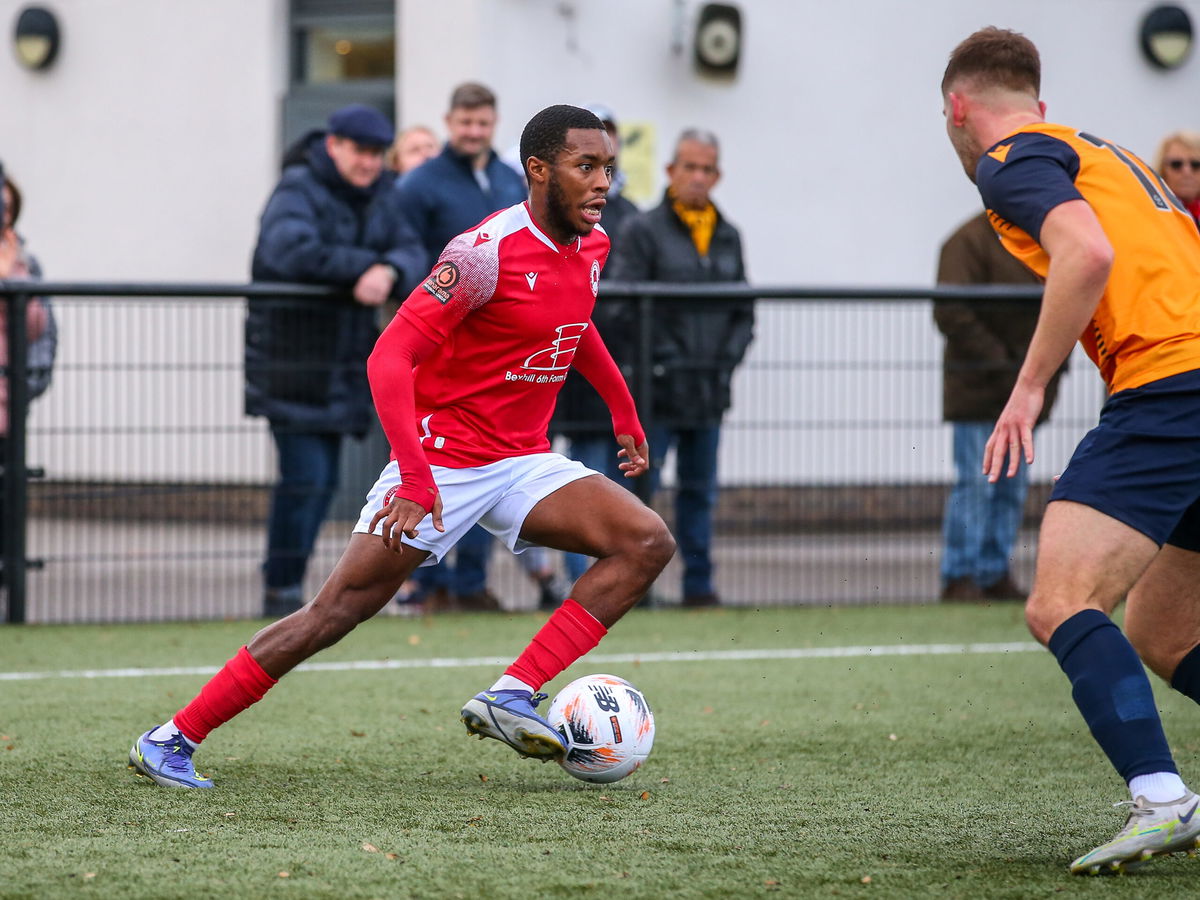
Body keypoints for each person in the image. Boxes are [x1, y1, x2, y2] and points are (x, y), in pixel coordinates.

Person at [128, 103, 674, 789]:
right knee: (334, 613)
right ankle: (170, 737)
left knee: (646, 541)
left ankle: (511, 693)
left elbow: (576, 321)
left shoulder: (592, 245)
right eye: (585, 166)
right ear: (538, 170)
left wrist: (624, 410)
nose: (602, 183)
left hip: (523, 460)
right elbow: (389, 358)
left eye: (608, 168)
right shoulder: (481, 254)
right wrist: (415, 479)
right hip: (442, 461)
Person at [942, 27, 1200, 873]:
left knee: (1058, 600)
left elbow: (1086, 253)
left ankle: (1162, 800)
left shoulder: (1008, 157)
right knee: (1164, 632)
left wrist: (1029, 385)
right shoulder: (1104, 152)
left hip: (1173, 386)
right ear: (1039, 101)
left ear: (956, 107)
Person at [245, 104, 425, 618]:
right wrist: (362, 270)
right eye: (360, 151)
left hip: (341, 364)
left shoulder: (382, 194)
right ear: (334, 145)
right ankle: (281, 587)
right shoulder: (297, 189)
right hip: (292, 363)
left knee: (319, 483)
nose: (369, 163)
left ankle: (288, 586)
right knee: (305, 480)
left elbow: (412, 249)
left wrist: (389, 269)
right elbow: (288, 251)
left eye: (376, 153)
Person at [394, 82, 529, 611]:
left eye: (483, 122)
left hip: (493, 351)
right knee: (433, 456)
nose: (473, 131)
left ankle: (471, 584)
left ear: (493, 123)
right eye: (465, 122)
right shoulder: (419, 184)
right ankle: (422, 583)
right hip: (433, 342)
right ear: (450, 122)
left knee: (486, 461)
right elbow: (403, 249)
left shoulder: (508, 180)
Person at [608, 129, 753, 608]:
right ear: (670, 171)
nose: (697, 177)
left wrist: (721, 364)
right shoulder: (643, 230)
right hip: (659, 392)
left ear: (719, 175)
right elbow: (627, 306)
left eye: (706, 168)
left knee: (700, 493)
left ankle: (699, 587)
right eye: (689, 166)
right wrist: (667, 363)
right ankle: (636, 592)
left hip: (709, 390)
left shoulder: (728, 233)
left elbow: (742, 311)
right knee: (642, 492)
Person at [933, 211, 1064, 602]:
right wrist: (1006, 365)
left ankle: (993, 571)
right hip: (980, 389)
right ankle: (960, 574)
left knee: (1011, 484)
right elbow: (952, 311)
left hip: (1025, 388)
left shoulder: (1043, 237)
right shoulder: (967, 240)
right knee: (976, 482)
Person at [551, 103, 641, 592]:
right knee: (577, 477)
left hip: (610, 368)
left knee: (619, 484)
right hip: (554, 379)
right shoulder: (528, 228)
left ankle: (611, 583)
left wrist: (624, 398)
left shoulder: (619, 221)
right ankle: (572, 579)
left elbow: (584, 318)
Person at [1154, 129, 1200, 227]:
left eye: (1195, 164)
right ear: (1162, 169)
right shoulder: (1151, 213)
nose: (1187, 172)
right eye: (1176, 164)